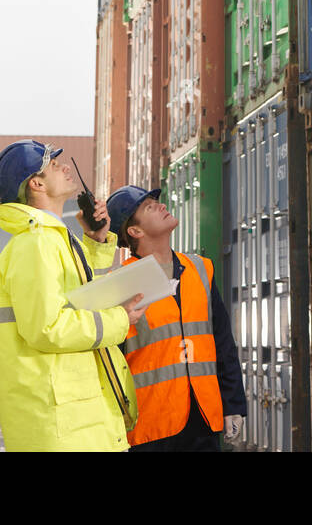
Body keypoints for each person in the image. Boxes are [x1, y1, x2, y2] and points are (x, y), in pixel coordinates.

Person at [0, 139, 147, 451]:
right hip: (63, 426)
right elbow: (47, 328)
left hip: (75, 419)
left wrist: (97, 241)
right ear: (36, 183)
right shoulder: (36, 244)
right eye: (54, 165)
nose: (65, 167)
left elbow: (84, 301)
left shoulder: (54, 240)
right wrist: (119, 319)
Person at [103, 185, 246, 451]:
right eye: (149, 206)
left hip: (203, 418)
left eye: (157, 201)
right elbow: (111, 364)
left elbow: (223, 343)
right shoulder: (121, 284)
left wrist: (233, 404)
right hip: (152, 428)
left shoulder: (200, 270)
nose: (161, 205)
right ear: (135, 231)